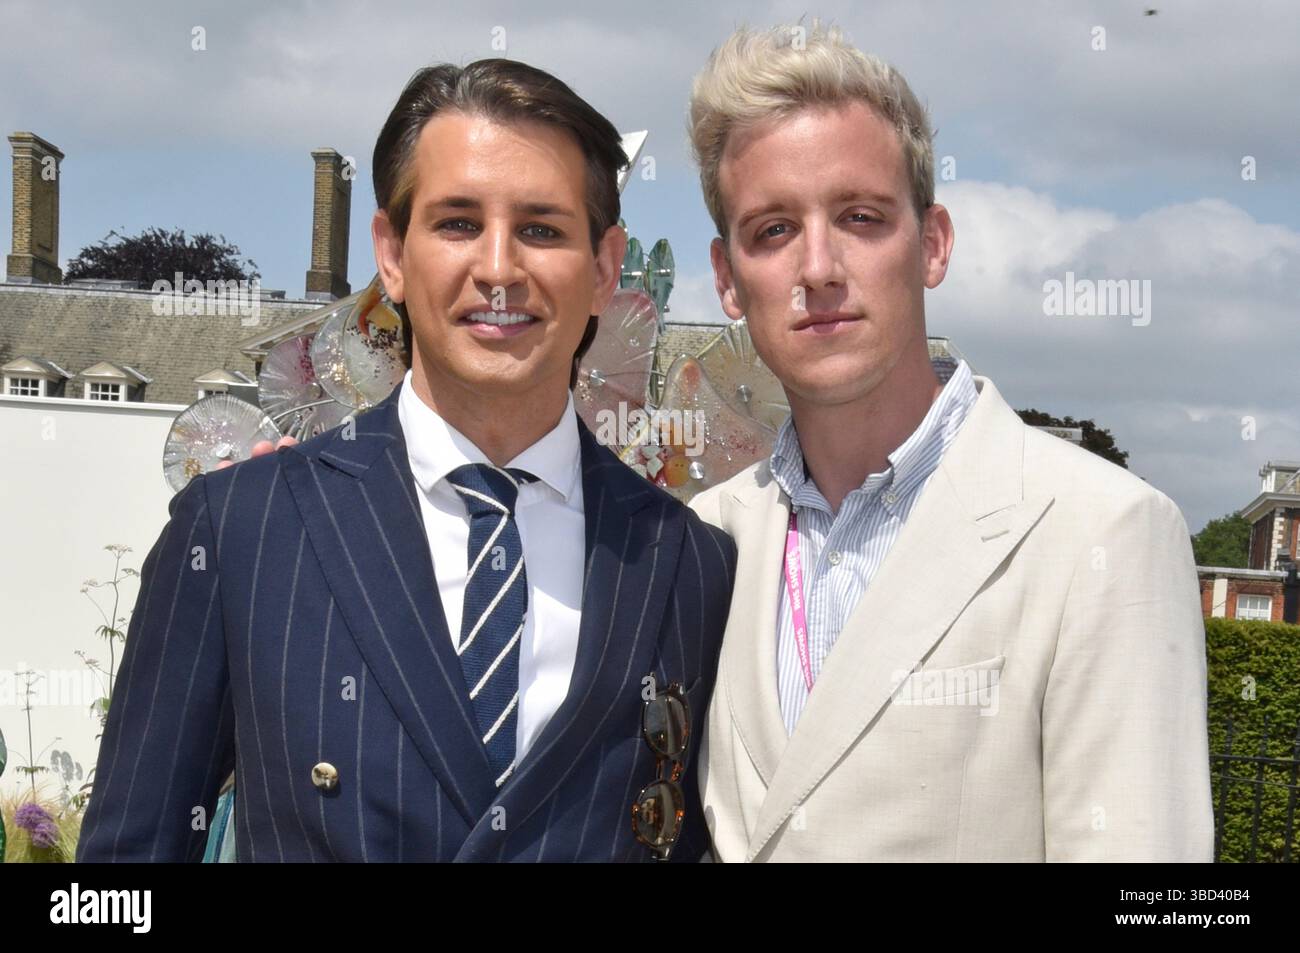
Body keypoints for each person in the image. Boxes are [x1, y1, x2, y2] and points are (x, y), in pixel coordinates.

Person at [76, 59, 735, 863]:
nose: (498, 269)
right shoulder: (244, 533)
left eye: (542, 228)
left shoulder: (687, 563)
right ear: (391, 253)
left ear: (603, 268)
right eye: (458, 222)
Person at [685, 22, 1214, 861]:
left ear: (932, 244)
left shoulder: (1103, 530)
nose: (818, 265)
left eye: (860, 217)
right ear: (726, 277)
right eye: (773, 230)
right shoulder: (702, 537)